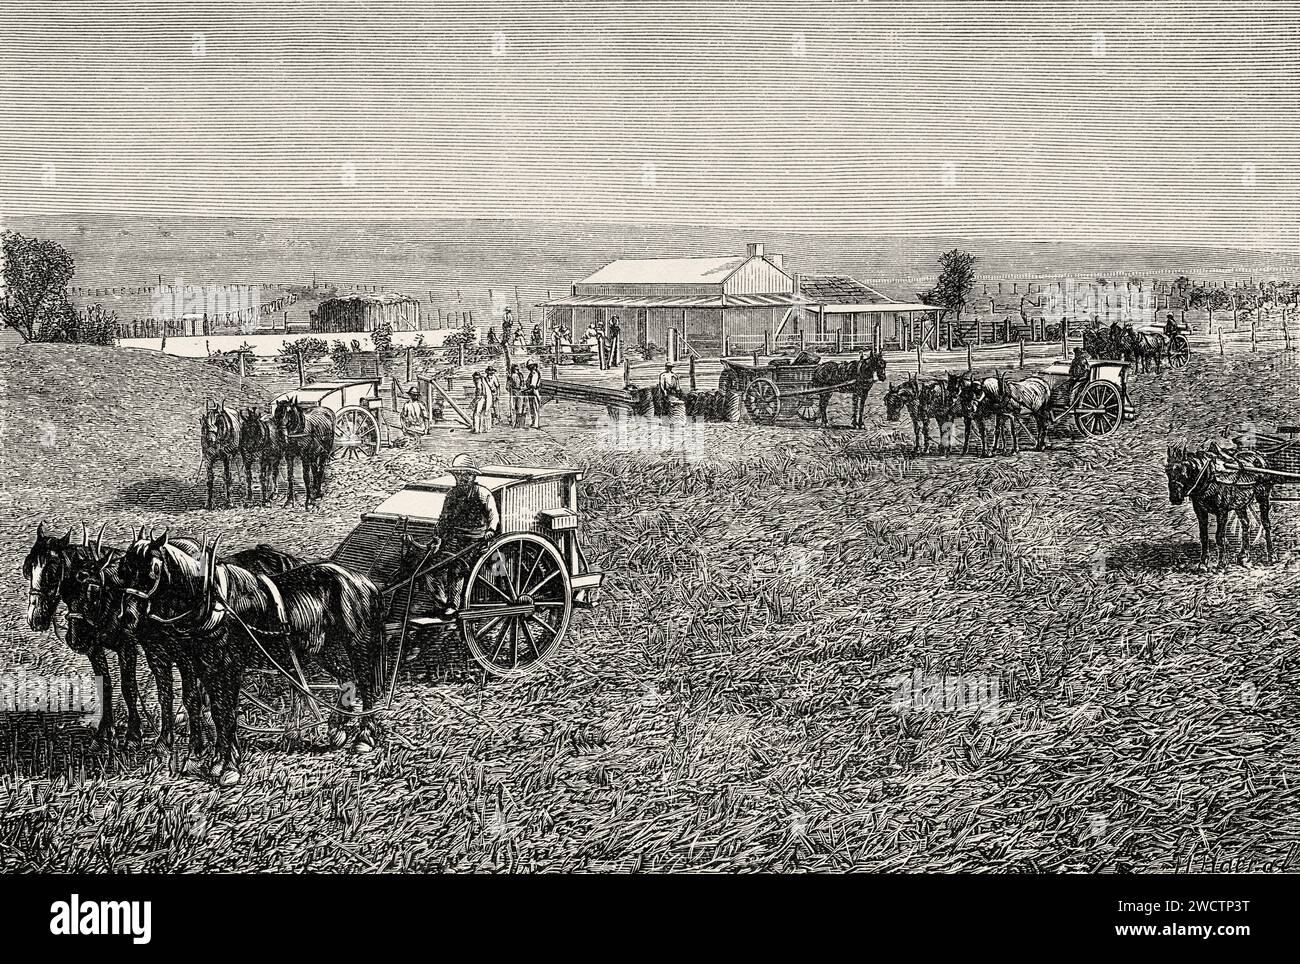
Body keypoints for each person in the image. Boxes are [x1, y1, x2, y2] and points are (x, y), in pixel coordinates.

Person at [398, 453, 500, 618]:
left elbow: (493, 515)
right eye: (458, 474)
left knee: (456, 568)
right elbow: (444, 520)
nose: (462, 478)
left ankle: (454, 605)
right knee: (429, 569)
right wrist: (438, 538)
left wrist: (490, 531)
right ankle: (442, 603)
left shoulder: (482, 493)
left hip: (476, 542)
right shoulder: (452, 495)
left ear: (473, 475)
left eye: (466, 474)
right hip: (453, 541)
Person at [508, 363, 526, 427]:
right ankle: (513, 422)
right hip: (513, 392)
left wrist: (522, 388)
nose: (516, 370)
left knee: (520, 407)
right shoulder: (510, 376)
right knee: (512, 407)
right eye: (515, 369)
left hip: (520, 392)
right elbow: (507, 386)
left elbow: (523, 383)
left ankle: (519, 423)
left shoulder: (520, 375)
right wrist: (511, 389)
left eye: (517, 369)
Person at [526, 359, 542, 428]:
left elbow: (533, 385)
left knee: (535, 408)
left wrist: (528, 390)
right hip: (531, 392)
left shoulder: (534, 373)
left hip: (534, 391)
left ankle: (536, 423)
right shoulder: (531, 373)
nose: (530, 368)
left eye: (531, 366)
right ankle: (533, 422)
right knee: (532, 408)